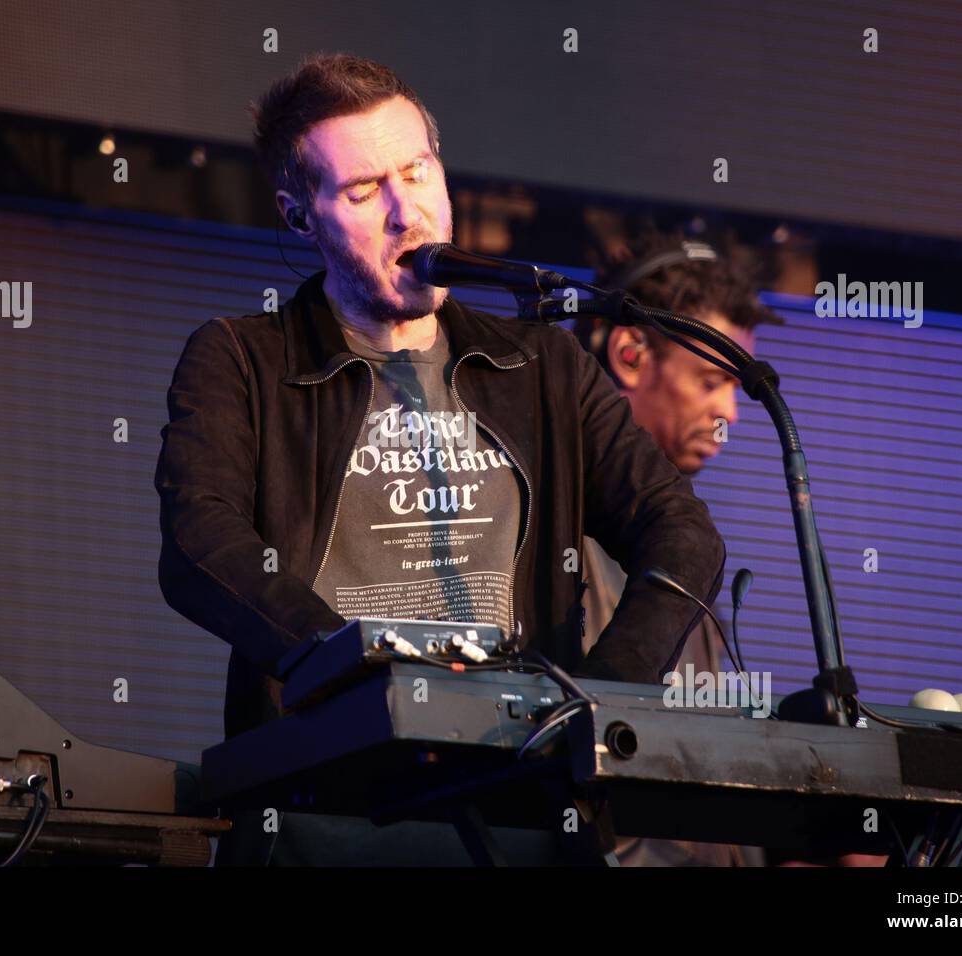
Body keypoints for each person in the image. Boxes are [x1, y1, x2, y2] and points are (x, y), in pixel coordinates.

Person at [154, 54, 726, 865]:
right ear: (297, 215)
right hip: (327, 800)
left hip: (522, 805)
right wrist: (348, 665)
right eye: (362, 193)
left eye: (418, 172)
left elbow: (683, 534)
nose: (406, 212)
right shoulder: (242, 359)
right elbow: (196, 544)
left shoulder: (543, 366)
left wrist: (601, 698)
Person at [574, 233, 780, 865]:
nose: (731, 412)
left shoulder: (683, 540)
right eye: (713, 380)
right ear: (631, 354)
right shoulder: (563, 535)